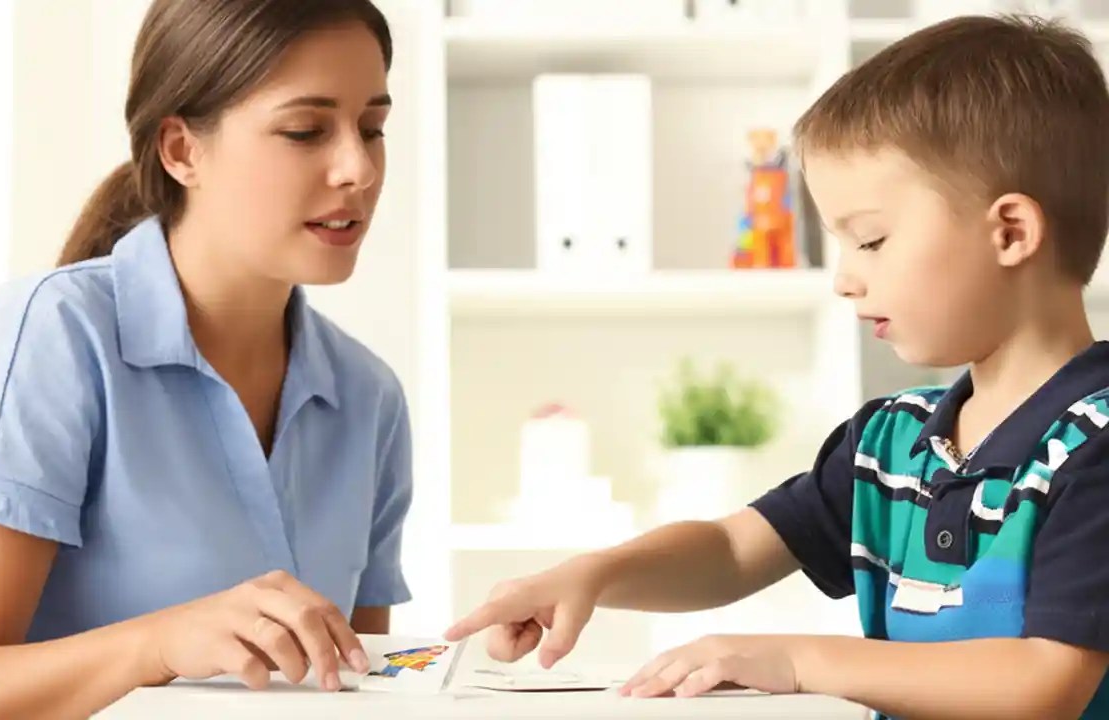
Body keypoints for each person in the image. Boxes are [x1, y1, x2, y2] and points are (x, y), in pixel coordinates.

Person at [446, 14, 1109, 720]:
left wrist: (800, 661)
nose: (845, 280)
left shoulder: (1094, 443)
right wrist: (596, 574)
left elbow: (1044, 680)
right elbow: (734, 548)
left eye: (872, 240)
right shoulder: (892, 440)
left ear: (1010, 232)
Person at [0, 1, 410, 718]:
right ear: (181, 150)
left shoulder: (368, 398)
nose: (358, 169)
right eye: (304, 131)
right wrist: (159, 645)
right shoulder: (52, 339)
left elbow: (350, 693)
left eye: (372, 129)